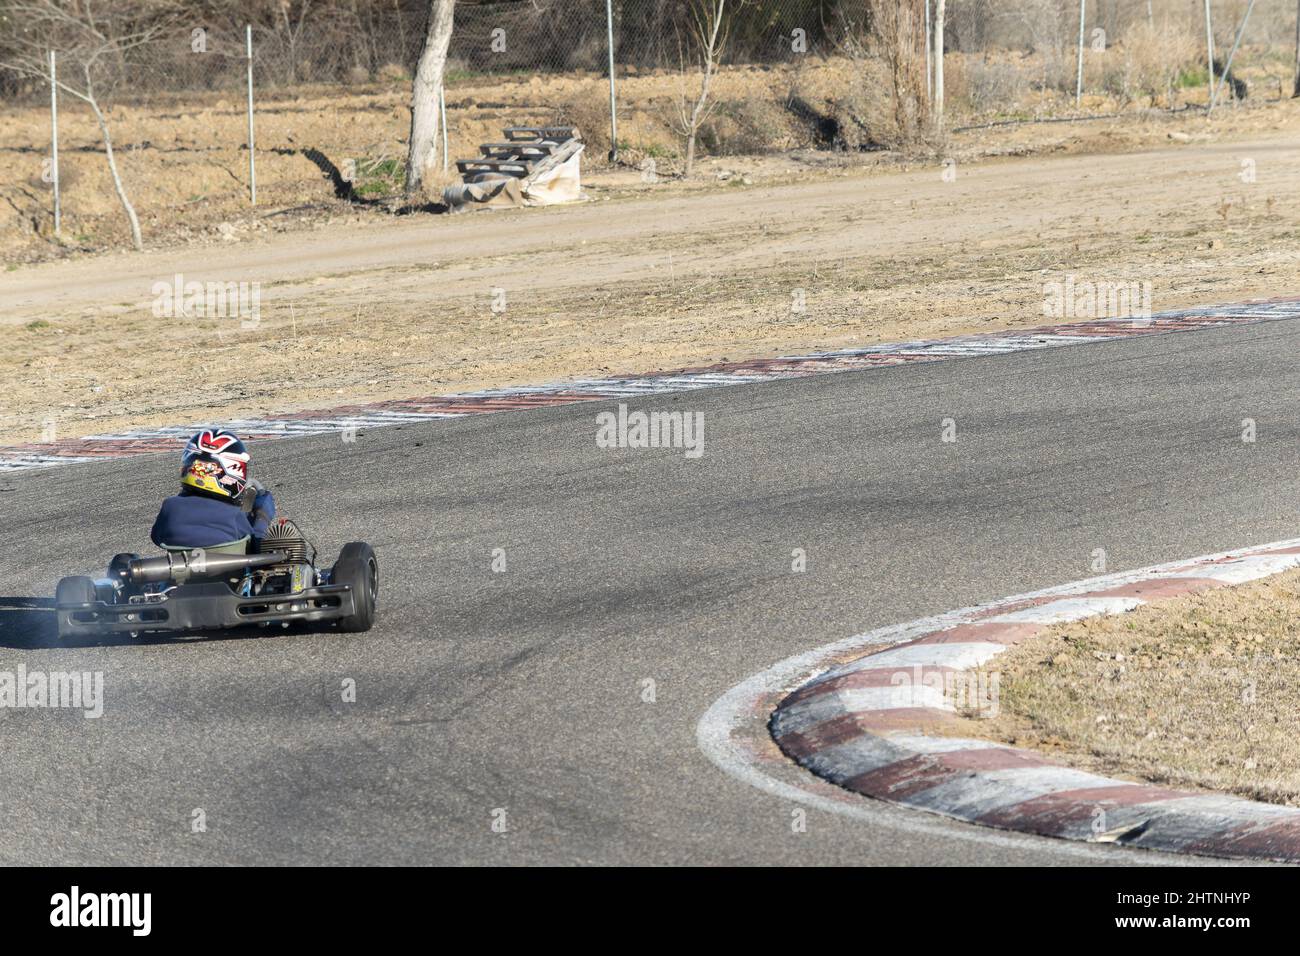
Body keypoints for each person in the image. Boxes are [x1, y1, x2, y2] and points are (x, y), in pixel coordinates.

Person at [150, 428, 275, 550]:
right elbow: (254, 544)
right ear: (230, 472)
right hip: (229, 571)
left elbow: (156, 537)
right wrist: (262, 516)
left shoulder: (170, 507)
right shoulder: (233, 515)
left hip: (177, 568)